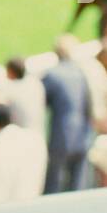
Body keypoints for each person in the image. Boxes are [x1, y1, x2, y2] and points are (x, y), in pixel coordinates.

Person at [40, 35, 94, 194]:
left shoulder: (53, 75)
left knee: (54, 185)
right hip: (83, 133)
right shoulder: (80, 72)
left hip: (61, 134)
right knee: (78, 185)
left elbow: (42, 100)